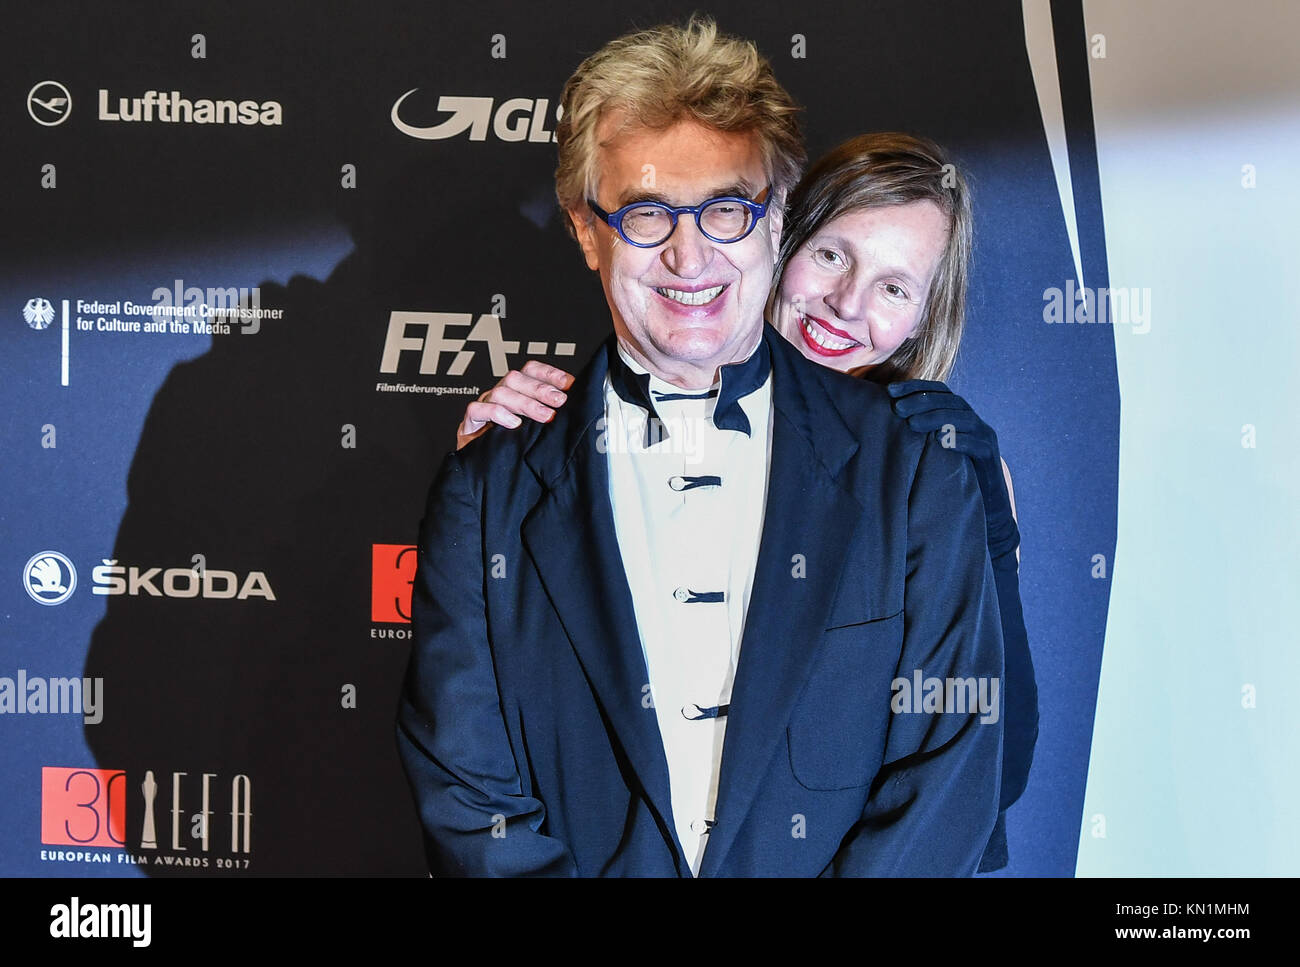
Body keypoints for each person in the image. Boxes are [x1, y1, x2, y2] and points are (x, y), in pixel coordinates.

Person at [397, 16, 1004, 876]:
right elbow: (466, 794)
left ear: (776, 215)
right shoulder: (489, 485)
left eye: (725, 210)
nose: (690, 258)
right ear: (586, 229)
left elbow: (950, 774)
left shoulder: (916, 473)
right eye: (647, 214)